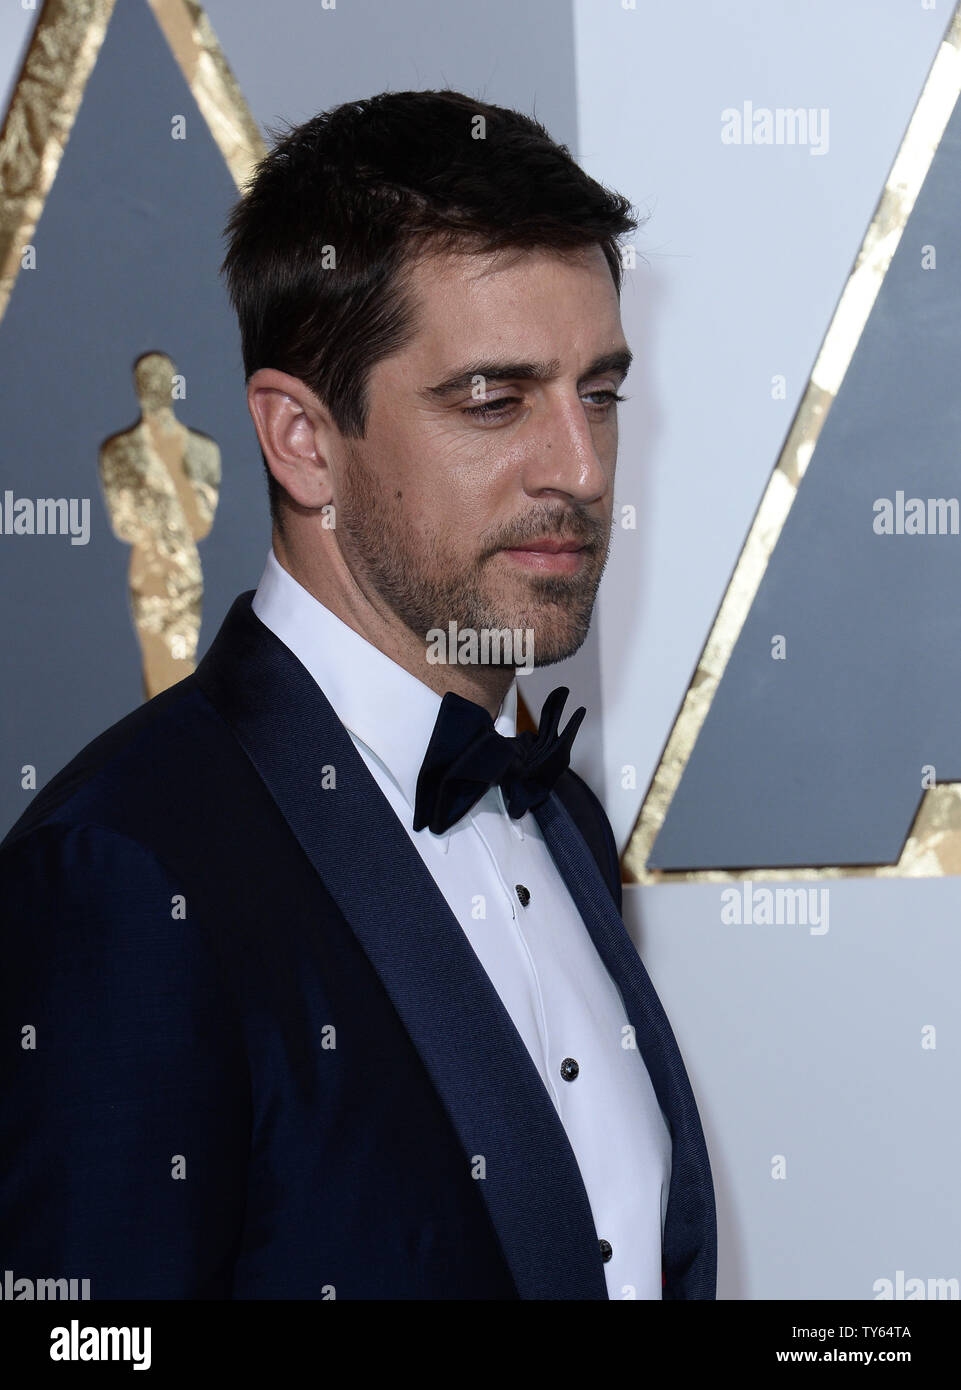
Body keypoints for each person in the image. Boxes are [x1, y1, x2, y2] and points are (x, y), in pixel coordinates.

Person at [0, 89, 715, 1300]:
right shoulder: (126, 871)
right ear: (300, 440)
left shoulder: (560, 816)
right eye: (493, 398)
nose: (582, 469)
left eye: (598, 391)